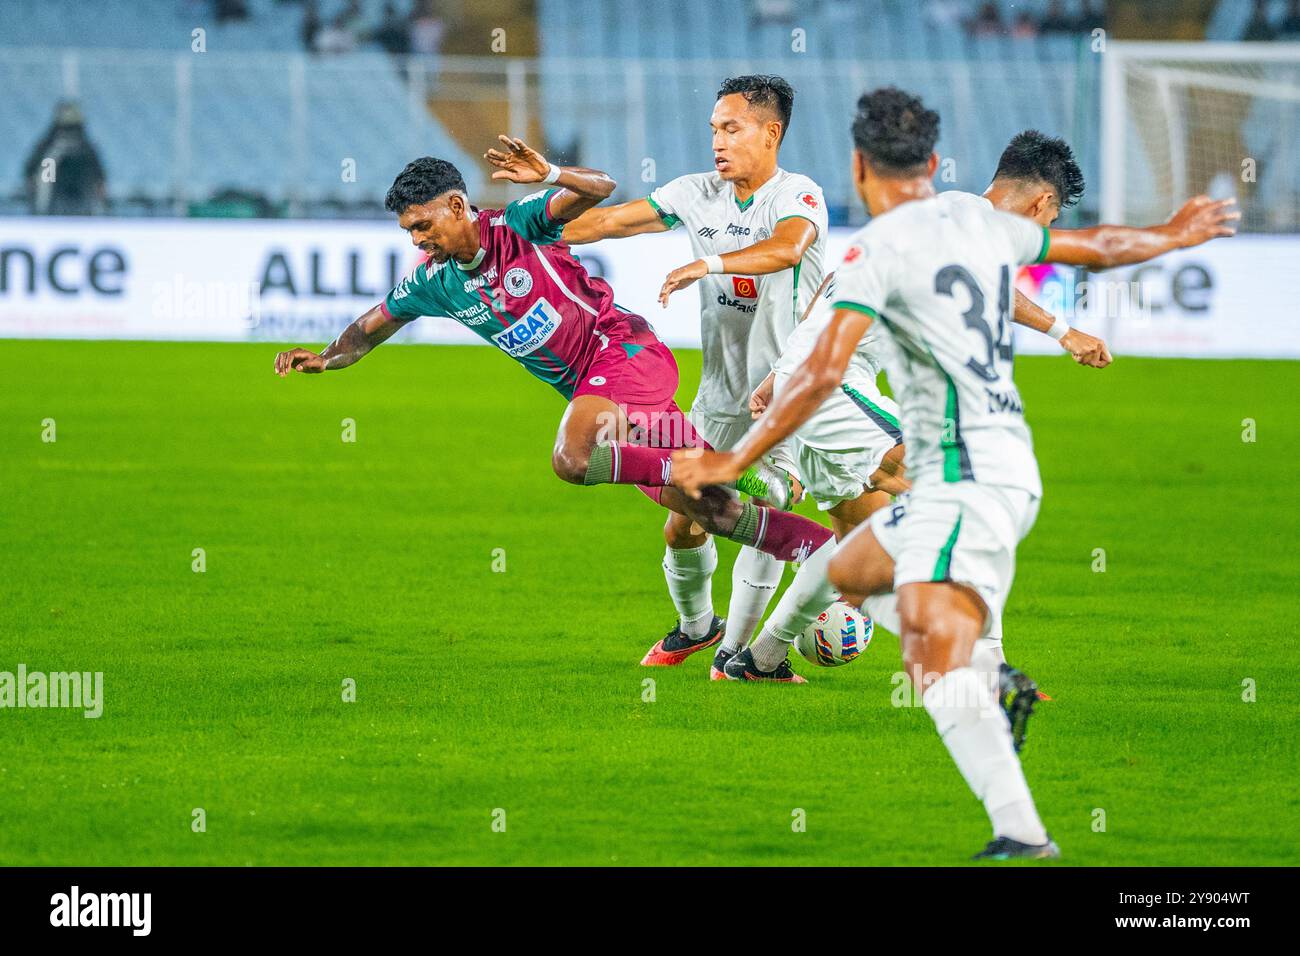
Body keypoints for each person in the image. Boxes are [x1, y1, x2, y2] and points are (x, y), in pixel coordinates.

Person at [672, 87, 1236, 858]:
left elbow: (824, 370)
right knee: (856, 559)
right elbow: (1097, 245)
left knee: (927, 656)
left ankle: (1017, 814)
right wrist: (1172, 234)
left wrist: (735, 454)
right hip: (1003, 465)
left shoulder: (882, 249)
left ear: (858, 166)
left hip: (960, 472)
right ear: (936, 165)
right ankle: (763, 658)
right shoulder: (981, 226)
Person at [273, 138, 836, 576]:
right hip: (603, 396)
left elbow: (600, 187)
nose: (417, 239)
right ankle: (824, 550)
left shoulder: (519, 225)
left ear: (455, 206)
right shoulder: (435, 283)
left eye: (423, 225)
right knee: (708, 509)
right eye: (408, 231)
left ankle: (729, 467)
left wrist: (547, 174)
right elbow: (369, 328)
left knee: (572, 458)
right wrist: (328, 357)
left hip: (623, 352)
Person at [563, 75, 830, 681]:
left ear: (772, 132)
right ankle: (696, 627)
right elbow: (609, 224)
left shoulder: (798, 196)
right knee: (683, 519)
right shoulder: (697, 192)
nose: (718, 140)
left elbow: (787, 251)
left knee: (764, 509)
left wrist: (704, 263)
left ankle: (741, 656)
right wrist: (511, 229)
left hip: (786, 392)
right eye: (713, 128)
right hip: (719, 394)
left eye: (731, 128)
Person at [23, 101, 107, 216]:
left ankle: (44, 209)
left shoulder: (84, 148)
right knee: (48, 165)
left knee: (48, 165)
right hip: (53, 195)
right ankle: (43, 209)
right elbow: (33, 171)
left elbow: (99, 176)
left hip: (79, 195)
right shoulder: (51, 146)